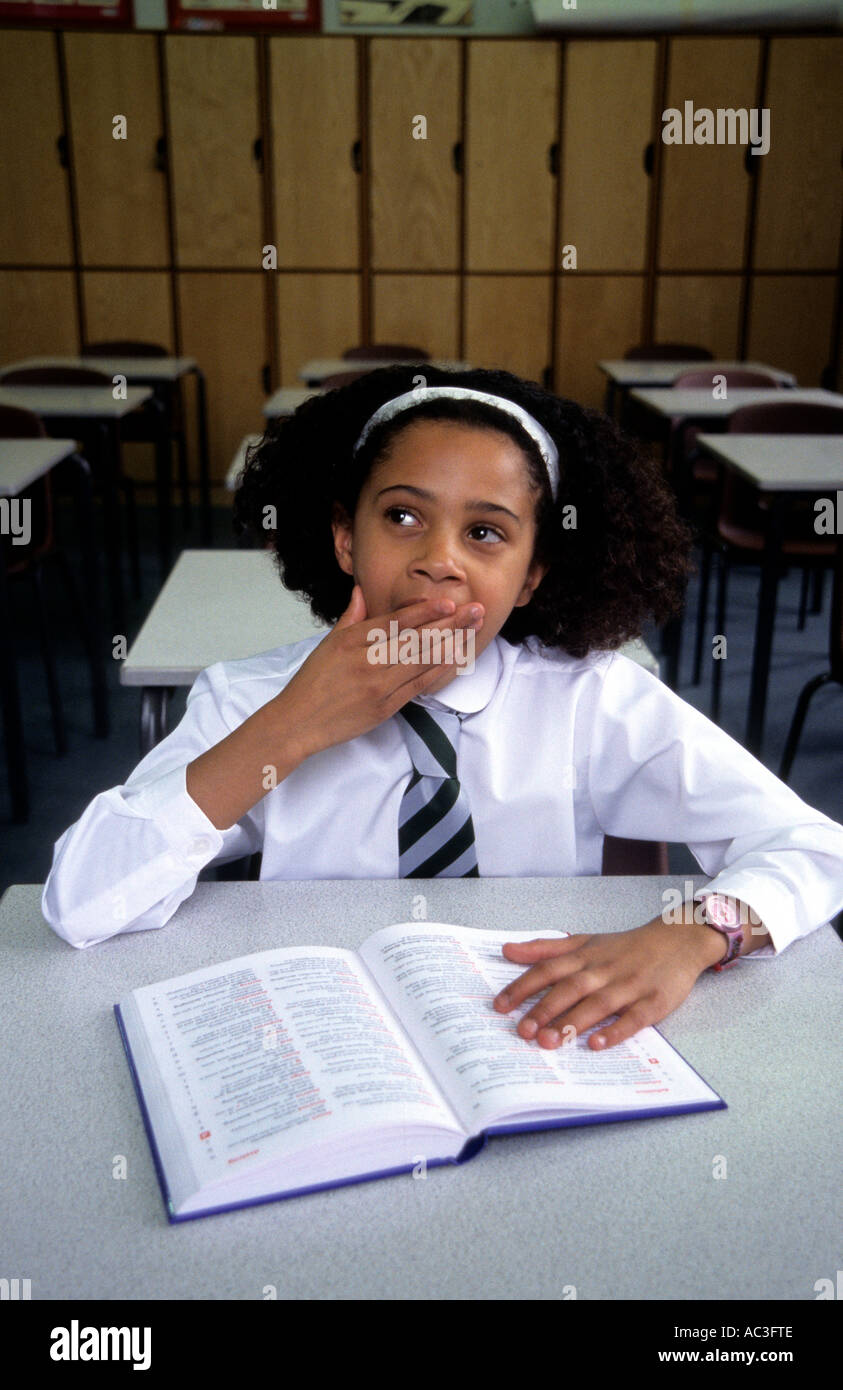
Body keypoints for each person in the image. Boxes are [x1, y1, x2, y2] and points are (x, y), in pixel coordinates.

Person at [42, 364, 843, 1053]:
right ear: (345, 540)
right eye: (401, 518)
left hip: (527, 1031)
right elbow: (81, 903)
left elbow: (814, 844)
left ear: (532, 576)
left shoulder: (591, 699)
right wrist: (290, 727)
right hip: (324, 1036)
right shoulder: (248, 701)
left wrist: (695, 933)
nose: (439, 562)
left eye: (486, 533)